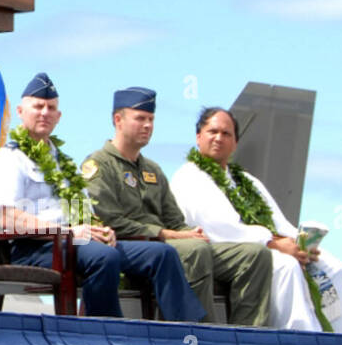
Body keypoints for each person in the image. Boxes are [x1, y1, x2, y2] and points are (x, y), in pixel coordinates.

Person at [0, 73, 205, 320]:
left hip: (76, 242)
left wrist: (100, 229)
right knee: (104, 257)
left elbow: (80, 210)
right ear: (20, 111)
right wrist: (67, 231)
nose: (44, 112)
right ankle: (107, 332)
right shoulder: (9, 159)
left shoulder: (62, 162)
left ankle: (187, 331)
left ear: (59, 117)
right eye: (37, 106)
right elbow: (6, 218)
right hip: (36, 247)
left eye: (51, 108)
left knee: (161, 254)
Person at [170, 107, 342, 333]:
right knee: (286, 267)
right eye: (212, 131)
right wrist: (275, 245)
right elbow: (222, 228)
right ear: (199, 137)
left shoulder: (246, 180)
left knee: (339, 270)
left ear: (235, 142)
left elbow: (279, 223)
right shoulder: (189, 177)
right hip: (224, 251)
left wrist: (301, 245)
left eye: (226, 134)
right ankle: (301, 337)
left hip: (268, 243)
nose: (219, 138)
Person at [83, 87, 271, 326]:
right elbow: (109, 220)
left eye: (151, 119)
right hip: (130, 246)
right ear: (118, 120)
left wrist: (189, 232)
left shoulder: (153, 169)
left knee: (255, 255)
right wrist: (167, 234)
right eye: (140, 118)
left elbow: (174, 219)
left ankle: (248, 336)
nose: (148, 125)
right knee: (194, 250)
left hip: (169, 244)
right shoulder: (98, 165)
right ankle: (201, 335)